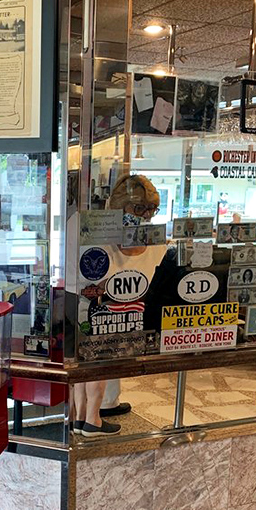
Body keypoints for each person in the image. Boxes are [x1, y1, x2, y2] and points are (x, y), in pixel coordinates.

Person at [72, 174, 162, 434]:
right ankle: (91, 419)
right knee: (95, 364)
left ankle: (84, 416)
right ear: (119, 209)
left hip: (112, 318)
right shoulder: (97, 242)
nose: (146, 215)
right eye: (139, 208)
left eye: (151, 209)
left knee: (91, 365)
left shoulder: (153, 244)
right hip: (96, 315)